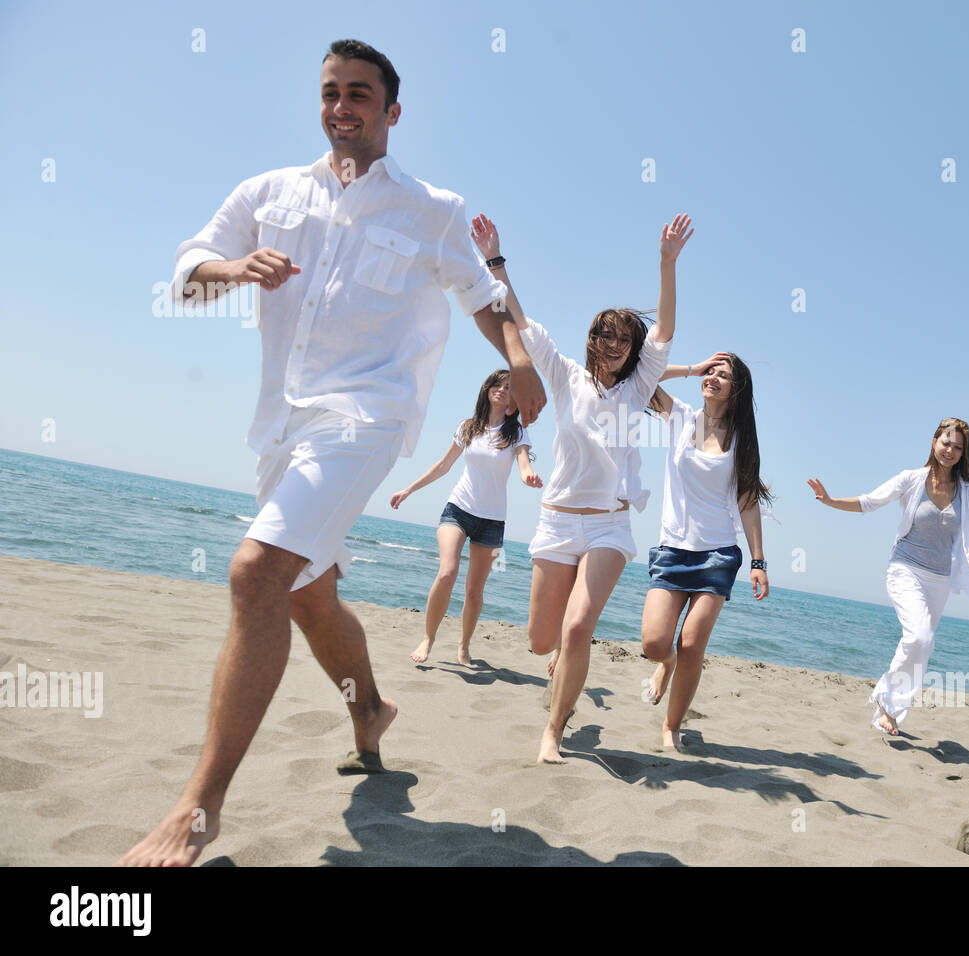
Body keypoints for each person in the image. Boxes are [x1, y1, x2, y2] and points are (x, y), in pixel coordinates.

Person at [118, 40, 545, 867]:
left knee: (254, 573)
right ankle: (372, 710)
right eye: (330, 93)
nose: (341, 106)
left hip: (370, 419)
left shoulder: (433, 209)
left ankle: (198, 811)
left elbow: (483, 301)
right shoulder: (268, 193)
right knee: (309, 598)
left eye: (359, 94)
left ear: (392, 111)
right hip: (281, 429)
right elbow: (184, 272)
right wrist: (234, 268)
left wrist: (520, 359)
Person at [467, 213, 692, 763]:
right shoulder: (564, 374)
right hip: (557, 520)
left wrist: (666, 263)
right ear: (591, 340)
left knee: (576, 630)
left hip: (609, 525)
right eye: (604, 335)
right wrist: (495, 259)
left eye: (622, 339)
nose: (613, 344)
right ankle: (559, 664)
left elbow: (663, 330)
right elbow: (515, 316)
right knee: (542, 640)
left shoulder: (638, 387)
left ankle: (553, 731)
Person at [808, 418, 969, 735]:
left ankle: (889, 707)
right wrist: (831, 500)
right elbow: (870, 502)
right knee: (920, 637)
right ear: (934, 442)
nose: (950, 450)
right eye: (946, 442)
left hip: (939, 579)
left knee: (920, 646)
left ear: (963, 454)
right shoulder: (911, 479)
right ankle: (887, 705)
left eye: (958, 447)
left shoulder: (967, 493)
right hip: (905, 568)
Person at [640, 353, 772, 751]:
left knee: (693, 642)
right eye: (711, 371)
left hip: (717, 555)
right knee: (654, 644)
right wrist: (691, 368)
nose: (713, 377)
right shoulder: (680, 416)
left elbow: (748, 502)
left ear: (737, 389)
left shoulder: (742, 442)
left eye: (723, 374)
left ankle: (671, 726)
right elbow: (641, 377)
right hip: (672, 551)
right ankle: (667, 666)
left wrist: (758, 561)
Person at [390, 369, 542, 666]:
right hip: (458, 509)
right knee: (447, 573)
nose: (501, 389)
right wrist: (409, 489)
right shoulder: (468, 427)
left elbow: (524, 465)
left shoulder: (517, 433)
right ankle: (427, 639)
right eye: (497, 384)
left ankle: (463, 647)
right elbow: (443, 465)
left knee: (474, 592)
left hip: (492, 520)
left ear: (514, 399)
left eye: (509, 387)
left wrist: (530, 477)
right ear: (487, 389)